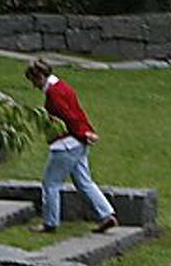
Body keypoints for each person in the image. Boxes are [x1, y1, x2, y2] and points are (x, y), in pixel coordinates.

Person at [23, 59, 118, 234]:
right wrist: (87, 131)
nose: (34, 85)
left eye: (34, 80)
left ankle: (50, 223)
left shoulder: (53, 94)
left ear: (41, 77)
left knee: (50, 183)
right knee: (84, 182)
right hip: (79, 143)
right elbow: (77, 111)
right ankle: (106, 214)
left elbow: (68, 117)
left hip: (66, 145)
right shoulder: (63, 86)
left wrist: (83, 133)